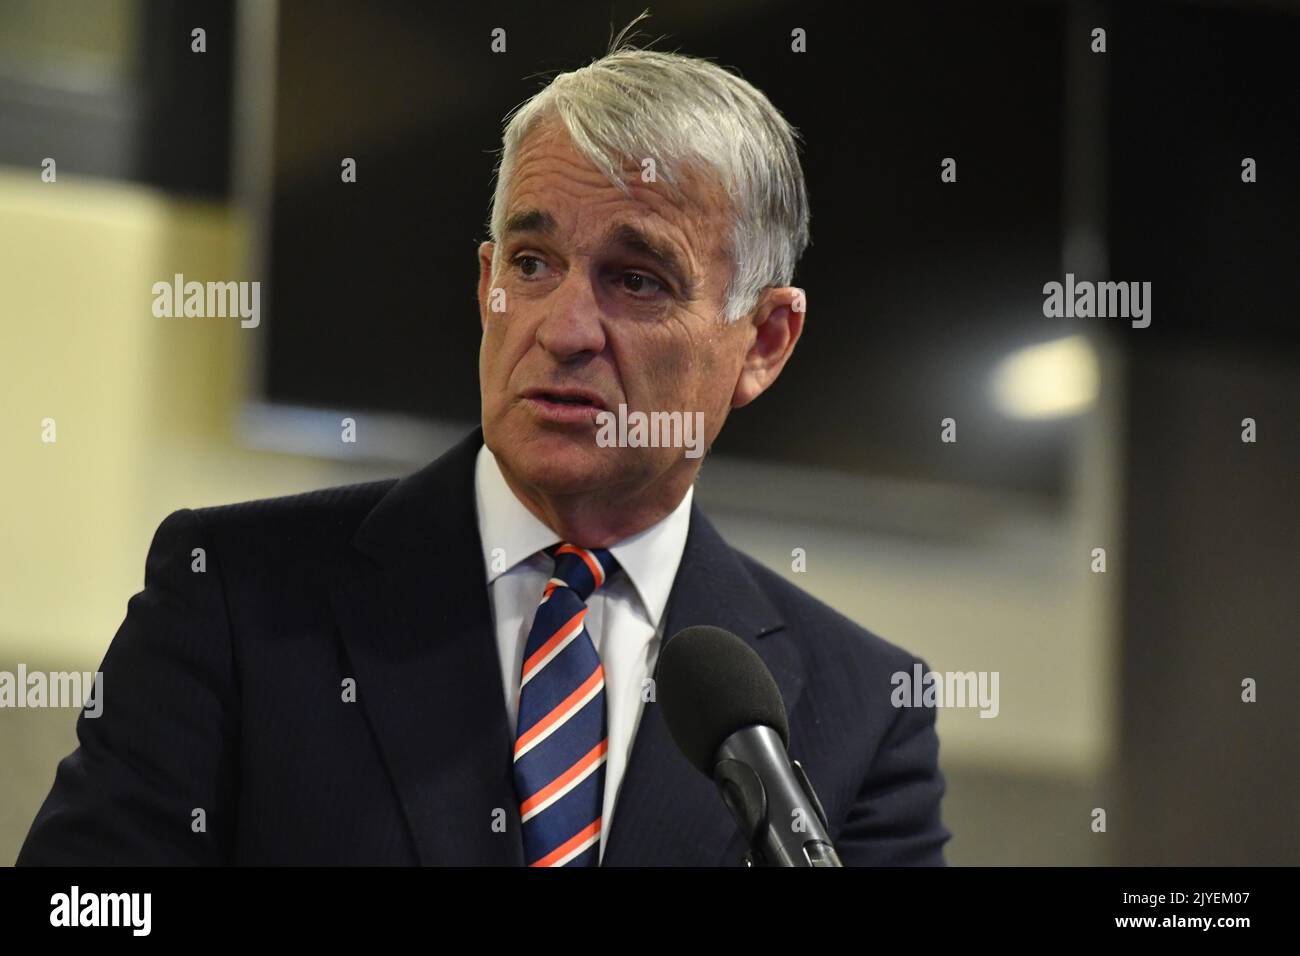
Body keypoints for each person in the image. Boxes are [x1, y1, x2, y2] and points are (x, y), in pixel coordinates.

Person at [18, 34, 949, 867]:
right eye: (531, 265)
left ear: (764, 342)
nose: (564, 327)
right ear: (484, 284)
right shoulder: (235, 597)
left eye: (636, 279)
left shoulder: (861, 711)